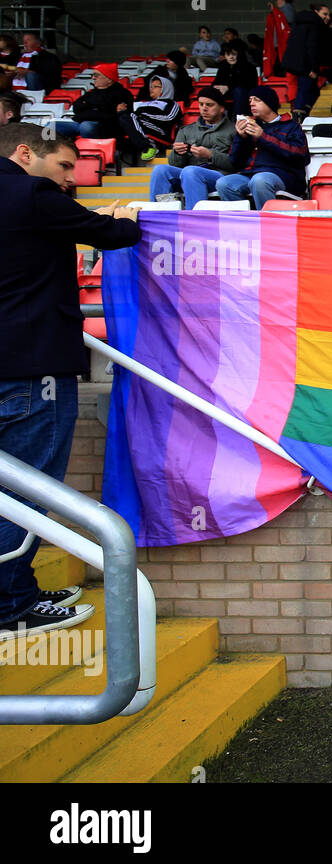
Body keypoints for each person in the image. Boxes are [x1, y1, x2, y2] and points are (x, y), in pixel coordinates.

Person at [0, 123, 140, 639]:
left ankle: (20, 589)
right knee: (26, 493)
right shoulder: (30, 192)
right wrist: (124, 216)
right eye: (61, 167)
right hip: (29, 367)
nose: (66, 180)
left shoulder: (33, 199)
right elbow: (117, 234)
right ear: (24, 153)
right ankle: (10, 605)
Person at [217, 85, 308, 208]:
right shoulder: (251, 125)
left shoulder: (291, 126)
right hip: (250, 175)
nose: (252, 104)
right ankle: (244, 222)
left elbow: (301, 156)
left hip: (284, 176)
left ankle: (266, 223)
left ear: (270, 103)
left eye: (257, 100)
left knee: (259, 180)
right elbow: (235, 161)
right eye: (250, 101)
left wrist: (263, 137)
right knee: (224, 183)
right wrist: (241, 138)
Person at [150, 86, 237, 208]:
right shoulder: (186, 130)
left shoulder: (234, 130)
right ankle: (160, 215)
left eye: (209, 105)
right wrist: (178, 153)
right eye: (201, 104)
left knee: (190, 171)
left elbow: (237, 163)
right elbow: (174, 164)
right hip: (188, 176)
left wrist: (210, 155)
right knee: (161, 170)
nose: (204, 109)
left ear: (222, 108)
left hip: (221, 176)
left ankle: (194, 218)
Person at [284, 4, 332, 120]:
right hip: (306, 65)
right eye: (325, 14)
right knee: (304, 90)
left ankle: (303, 114)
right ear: (316, 12)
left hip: (295, 63)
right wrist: (313, 68)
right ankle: (299, 118)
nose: (328, 17)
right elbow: (312, 47)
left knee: (313, 91)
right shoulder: (315, 25)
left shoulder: (300, 22)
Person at [54, 63, 133, 139]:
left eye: (96, 75)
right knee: (50, 127)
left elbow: (115, 116)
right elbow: (76, 107)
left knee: (86, 126)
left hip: (108, 128)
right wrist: (95, 107)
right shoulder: (92, 93)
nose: (93, 78)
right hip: (81, 124)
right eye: (92, 75)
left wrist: (89, 105)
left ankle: (87, 151)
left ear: (109, 79)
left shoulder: (123, 94)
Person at [119, 75, 181, 163]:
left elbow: (169, 118)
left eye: (156, 87)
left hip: (160, 131)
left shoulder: (171, 104)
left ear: (166, 89)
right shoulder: (143, 103)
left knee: (130, 116)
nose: (151, 89)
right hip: (138, 125)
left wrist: (144, 116)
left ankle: (147, 146)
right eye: (151, 86)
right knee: (120, 116)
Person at [213, 41, 259, 115]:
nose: (231, 57)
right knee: (210, 91)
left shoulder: (249, 67)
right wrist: (216, 87)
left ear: (239, 54)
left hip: (245, 95)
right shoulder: (223, 66)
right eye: (228, 54)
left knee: (239, 91)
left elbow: (247, 84)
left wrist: (228, 87)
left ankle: (239, 118)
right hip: (227, 94)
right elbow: (217, 81)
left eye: (234, 54)